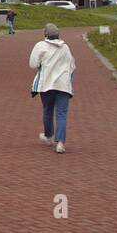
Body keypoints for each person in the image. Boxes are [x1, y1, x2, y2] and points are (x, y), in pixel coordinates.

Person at [30, 23, 77, 153]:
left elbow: (33, 64)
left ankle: (48, 136)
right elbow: (72, 65)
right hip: (63, 84)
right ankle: (60, 143)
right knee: (61, 113)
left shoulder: (40, 46)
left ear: (45, 34)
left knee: (47, 110)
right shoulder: (65, 47)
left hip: (47, 84)